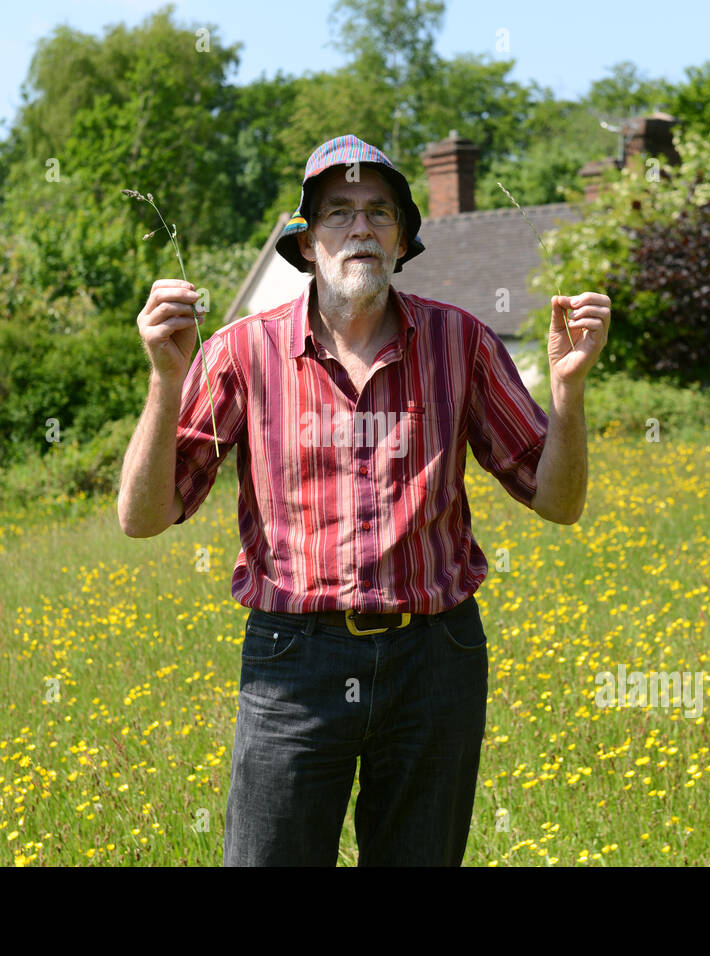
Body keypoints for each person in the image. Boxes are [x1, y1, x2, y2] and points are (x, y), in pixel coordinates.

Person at [117, 134, 610, 866]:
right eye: (338, 212)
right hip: (293, 662)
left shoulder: (461, 341)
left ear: (402, 240)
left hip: (435, 657)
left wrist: (567, 394)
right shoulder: (241, 350)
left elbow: (558, 501)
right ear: (308, 242)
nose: (360, 228)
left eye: (379, 213)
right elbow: (142, 516)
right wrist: (165, 379)